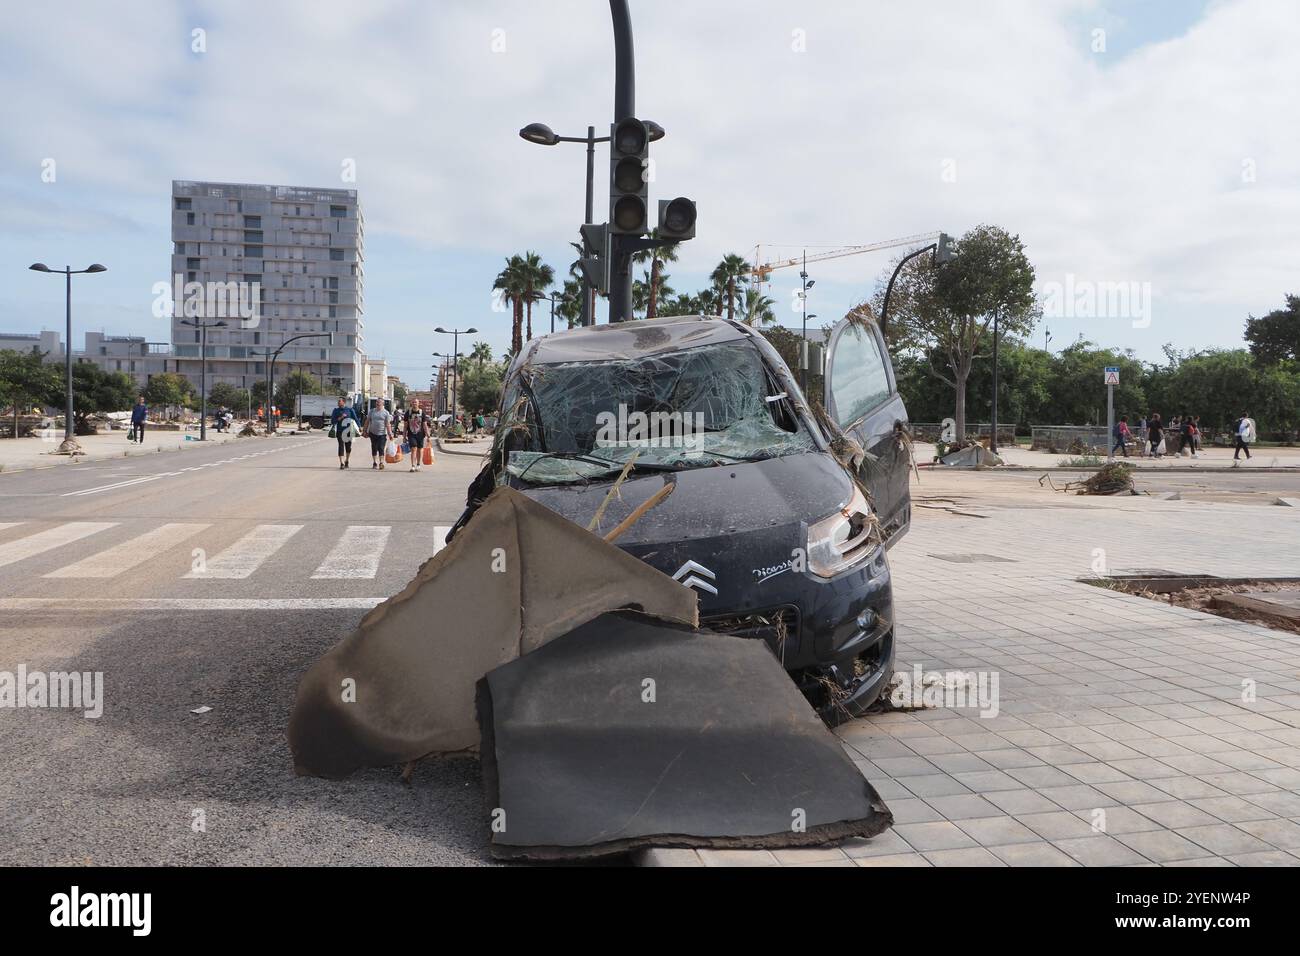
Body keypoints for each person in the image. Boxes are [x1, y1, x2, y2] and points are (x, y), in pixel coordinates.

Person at [362, 398, 393, 470]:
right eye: (377, 402)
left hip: (382, 433)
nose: (377, 403)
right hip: (372, 433)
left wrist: (390, 434)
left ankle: (381, 462)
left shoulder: (386, 413)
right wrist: (364, 431)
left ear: (382, 404)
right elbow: (367, 421)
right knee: (374, 448)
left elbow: (388, 424)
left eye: (379, 402)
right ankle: (375, 462)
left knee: (381, 448)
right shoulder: (372, 411)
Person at [330, 398, 361, 469]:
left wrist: (359, 427)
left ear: (344, 402)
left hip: (349, 431)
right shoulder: (336, 411)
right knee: (341, 446)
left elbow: (356, 419)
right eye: (338, 401)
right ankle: (341, 463)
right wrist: (340, 417)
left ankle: (347, 460)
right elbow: (332, 421)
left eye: (339, 401)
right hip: (340, 431)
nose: (338, 402)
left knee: (348, 447)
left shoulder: (350, 410)